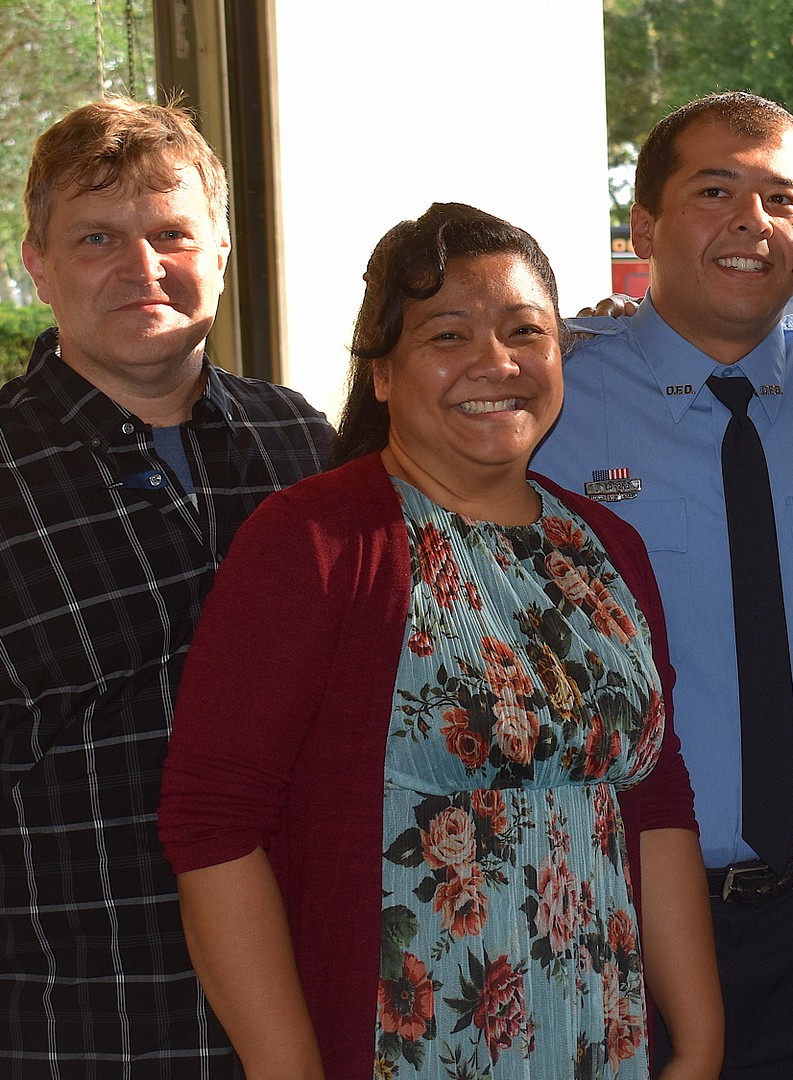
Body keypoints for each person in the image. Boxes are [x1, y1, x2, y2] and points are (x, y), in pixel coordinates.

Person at [0, 97, 332, 1079]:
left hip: (310, 1020)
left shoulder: (300, 447)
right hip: (72, 1033)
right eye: (98, 237)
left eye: (172, 233)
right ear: (39, 262)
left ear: (221, 252)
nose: (142, 268)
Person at [157, 203, 723, 1080]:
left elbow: (654, 802)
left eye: (524, 331)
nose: (494, 363)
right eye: (447, 335)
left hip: (602, 1048)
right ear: (381, 373)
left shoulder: (608, 548)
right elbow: (212, 828)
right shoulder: (316, 541)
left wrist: (698, 1041)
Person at [532, 92, 793, 1078]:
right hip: (611, 922)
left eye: (781, 199)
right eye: (714, 189)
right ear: (643, 227)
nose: (751, 221)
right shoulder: (546, 401)